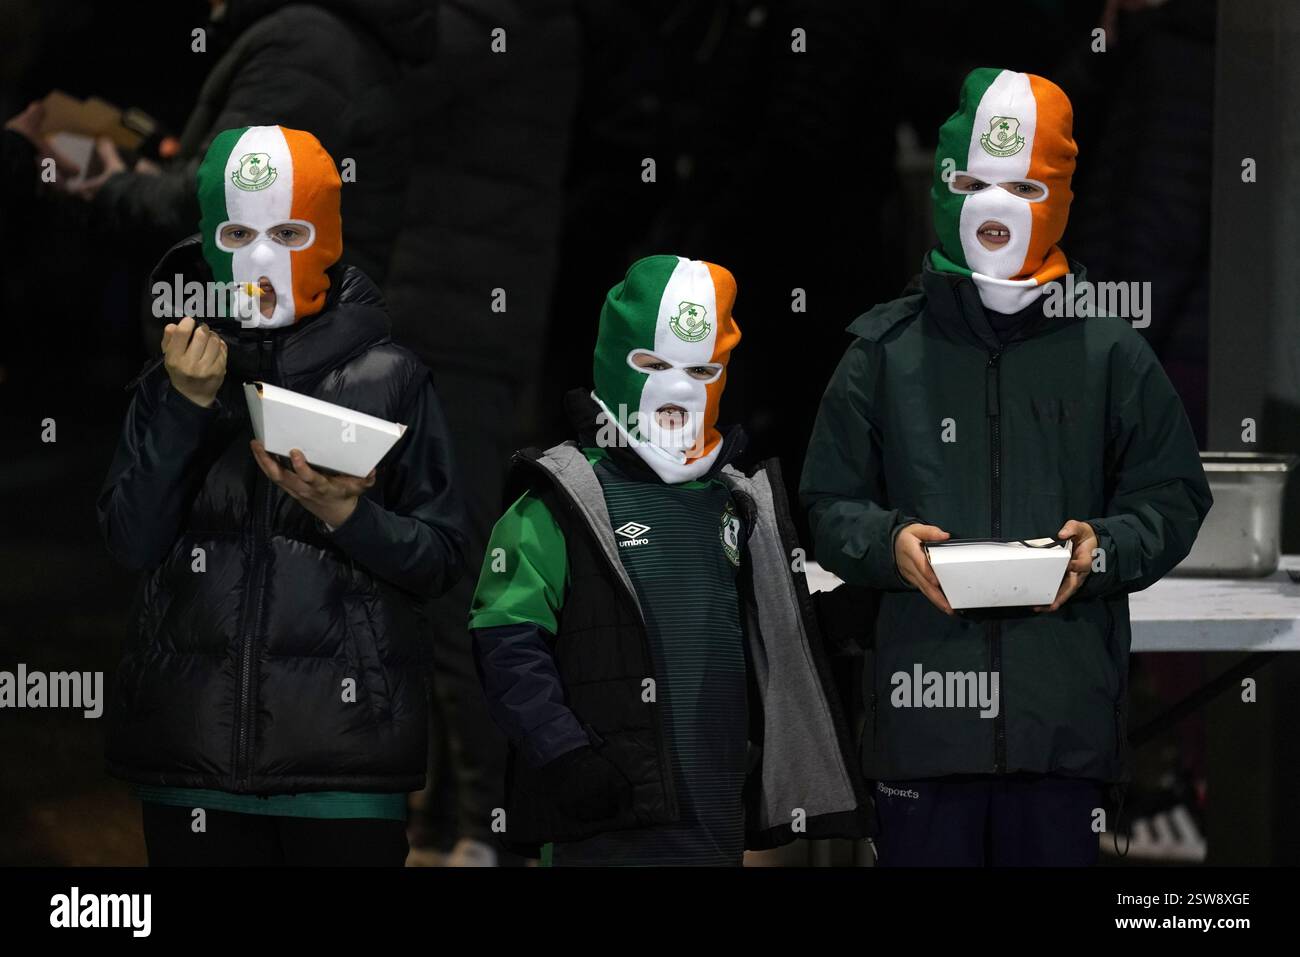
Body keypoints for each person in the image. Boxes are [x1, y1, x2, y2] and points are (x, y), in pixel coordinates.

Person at [800, 68, 1212, 867]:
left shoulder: (1110, 350)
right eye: (974, 181)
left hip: (1061, 735)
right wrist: (888, 544)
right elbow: (825, 503)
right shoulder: (882, 354)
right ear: (947, 187)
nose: (995, 207)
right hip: (923, 731)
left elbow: (1172, 492)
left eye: (1023, 184)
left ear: (1058, 194)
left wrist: (1106, 547)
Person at [97, 126, 467, 866]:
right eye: (236, 231)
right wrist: (182, 405)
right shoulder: (173, 367)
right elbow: (130, 540)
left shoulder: (390, 377)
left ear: (325, 232)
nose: (261, 255)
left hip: (344, 771)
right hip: (192, 764)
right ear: (209, 239)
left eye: (288, 230)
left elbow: (444, 558)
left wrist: (349, 516)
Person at [468, 255, 867, 866]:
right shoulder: (560, 499)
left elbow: (777, 632)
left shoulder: (737, 503)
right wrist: (565, 755)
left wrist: (857, 609)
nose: (677, 389)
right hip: (597, 821)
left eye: (701, 369)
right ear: (613, 358)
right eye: (652, 364)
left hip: (713, 819)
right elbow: (506, 645)